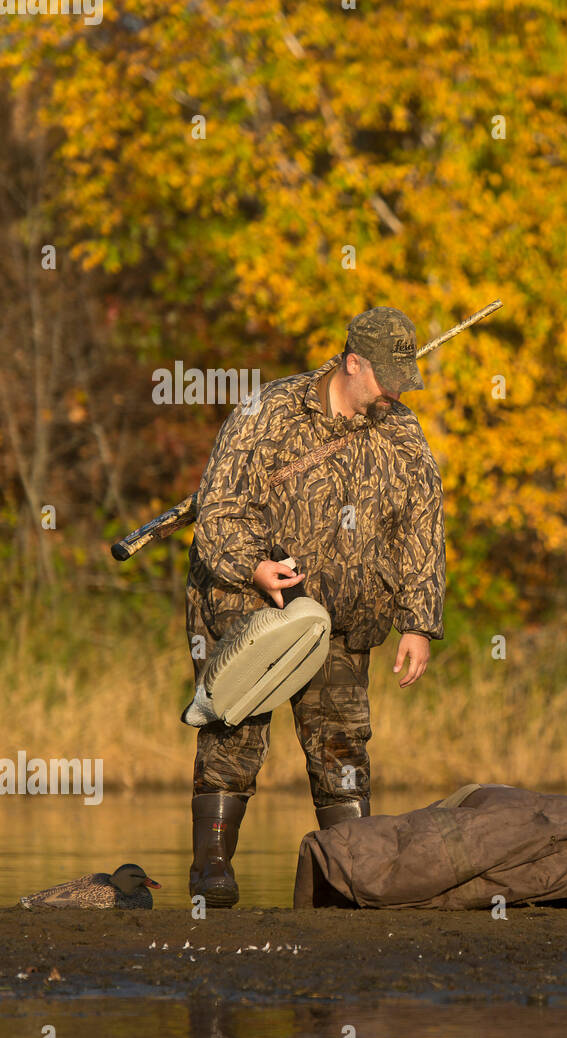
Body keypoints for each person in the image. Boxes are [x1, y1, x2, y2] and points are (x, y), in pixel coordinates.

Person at [184, 307, 446, 907]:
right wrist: (253, 566)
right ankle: (212, 872)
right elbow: (219, 510)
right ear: (352, 364)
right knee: (235, 729)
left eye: (405, 380)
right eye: (387, 379)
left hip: (347, 618)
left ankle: (348, 877)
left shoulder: (402, 433)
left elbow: (422, 529)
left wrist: (418, 622)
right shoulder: (267, 412)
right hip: (249, 600)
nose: (397, 394)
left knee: (343, 743)